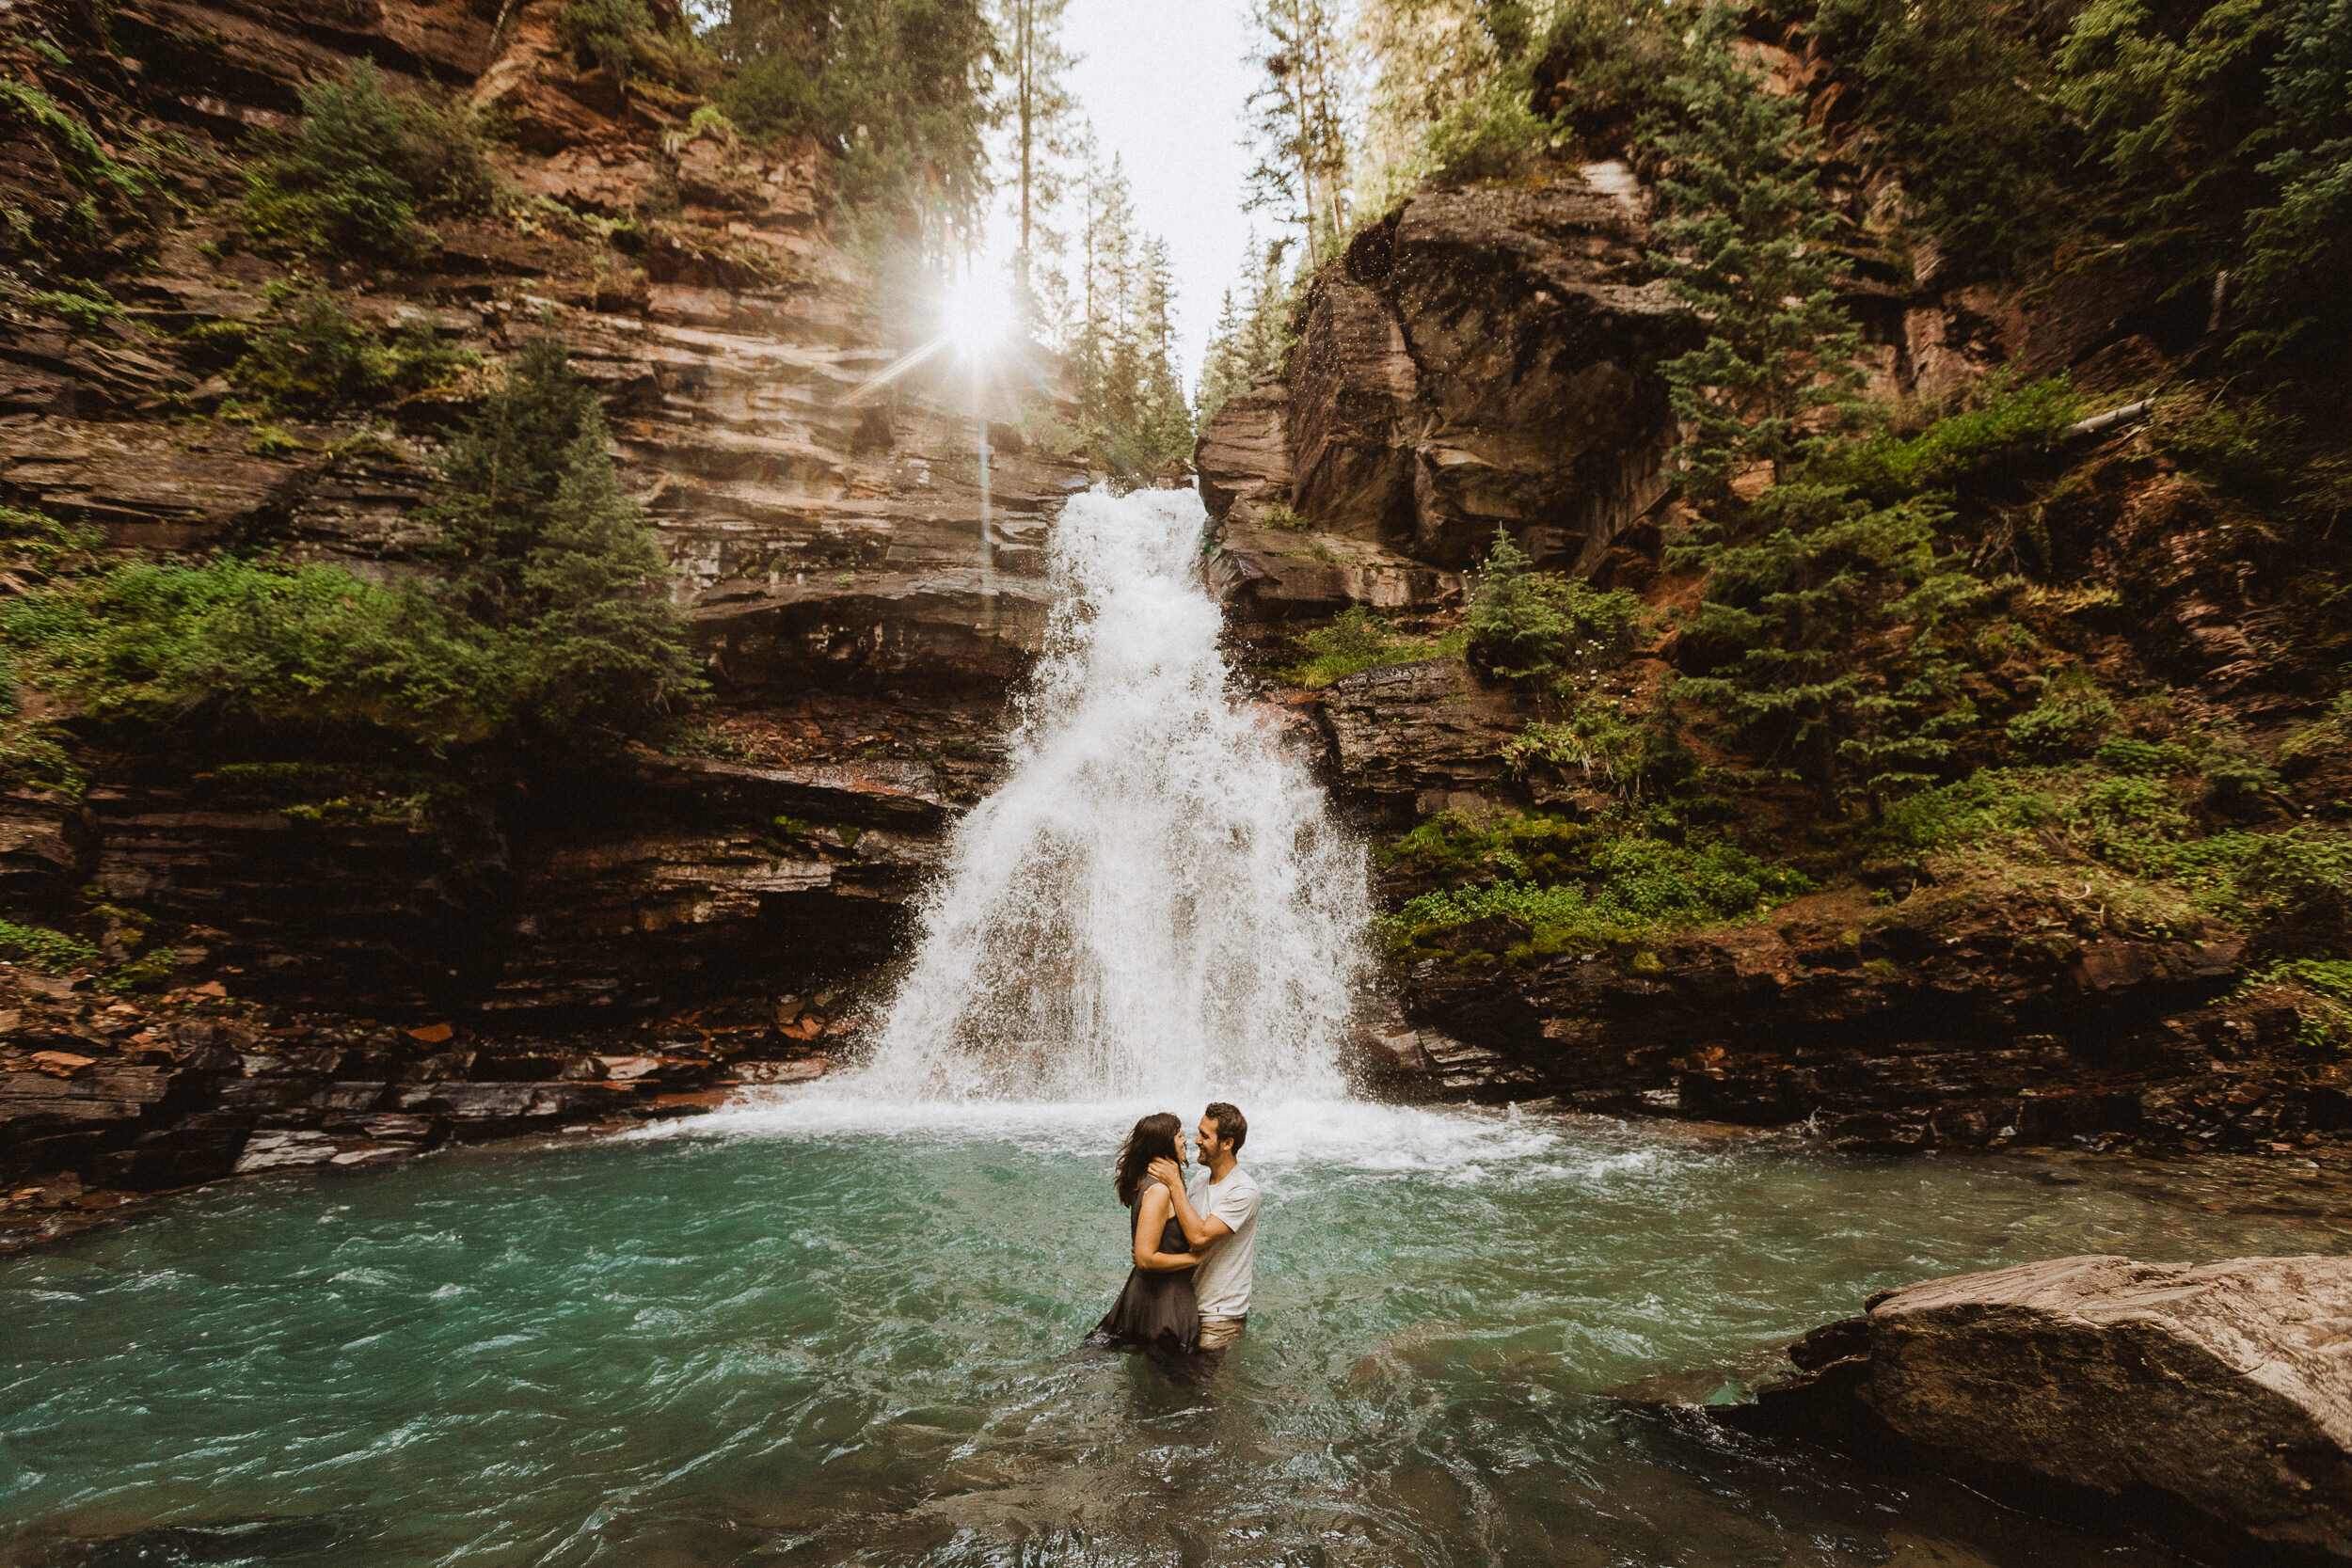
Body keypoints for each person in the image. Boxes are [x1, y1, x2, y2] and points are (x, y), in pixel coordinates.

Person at [1146, 1101, 1259, 1355]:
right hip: (1187, 1308)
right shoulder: (1200, 1180)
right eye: (1198, 1132)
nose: (1195, 1140)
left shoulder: (1244, 1191)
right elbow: (1180, 1231)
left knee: (1206, 1391)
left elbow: (1198, 1237)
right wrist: (1148, 1253)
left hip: (1220, 1319)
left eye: (1205, 1136)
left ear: (1227, 1143)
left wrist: (1174, 1182)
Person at [1089, 1112, 1201, 1356]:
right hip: (1163, 1305)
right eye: (1180, 1136)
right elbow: (1145, 1258)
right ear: (1164, 1146)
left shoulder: (1144, 1182)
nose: (1186, 1141)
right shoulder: (1159, 1191)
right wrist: (1196, 1259)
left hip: (1148, 1295)